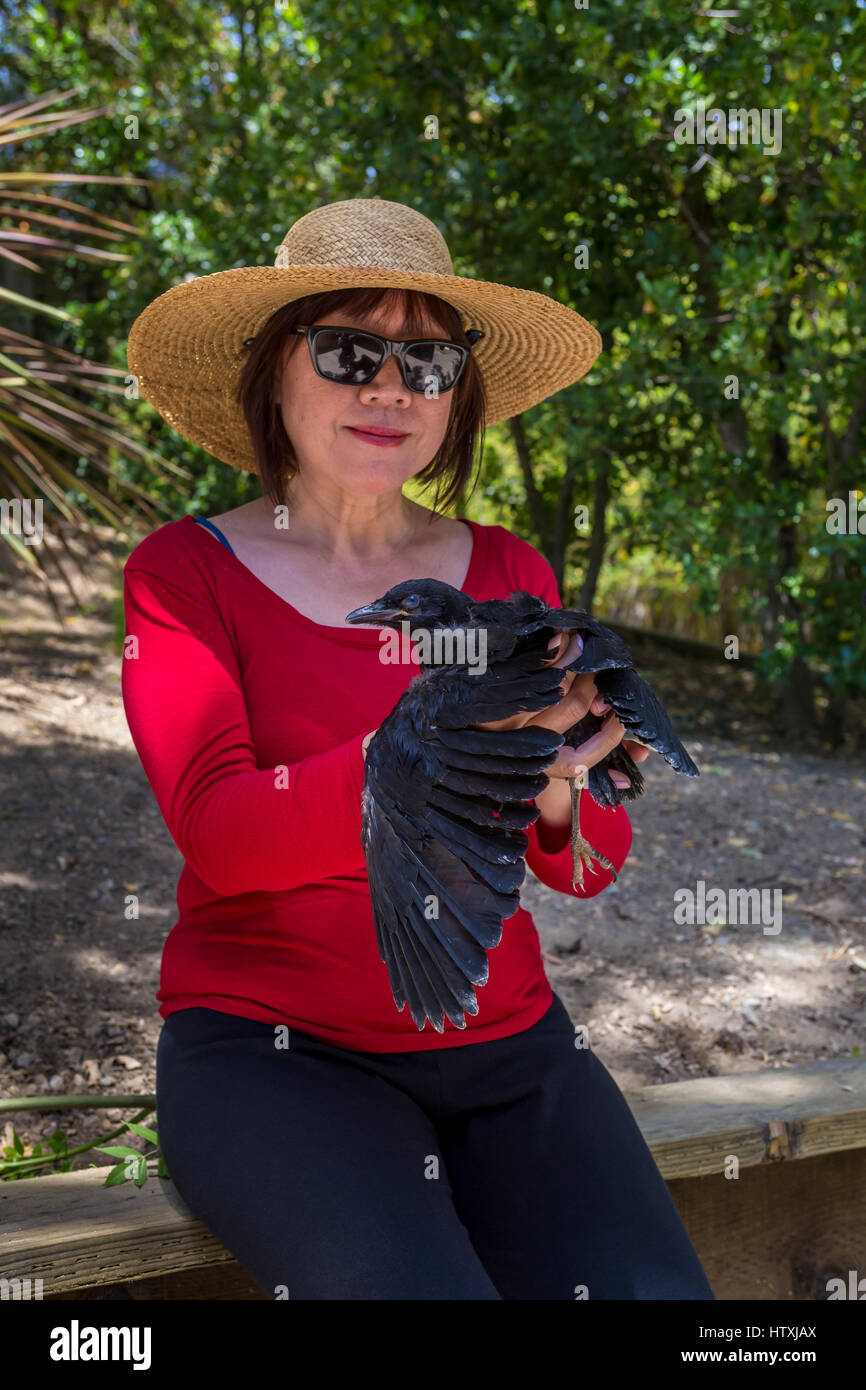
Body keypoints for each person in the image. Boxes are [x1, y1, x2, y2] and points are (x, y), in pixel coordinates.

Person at [121, 197, 715, 1301]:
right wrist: (418, 748)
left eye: (427, 362)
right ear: (271, 370)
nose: (389, 387)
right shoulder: (181, 573)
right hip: (274, 1058)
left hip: (513, 1051)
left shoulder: (508, 568)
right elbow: (221, 833)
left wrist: (555, 785)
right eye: (349, 350)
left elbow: (586, 865)